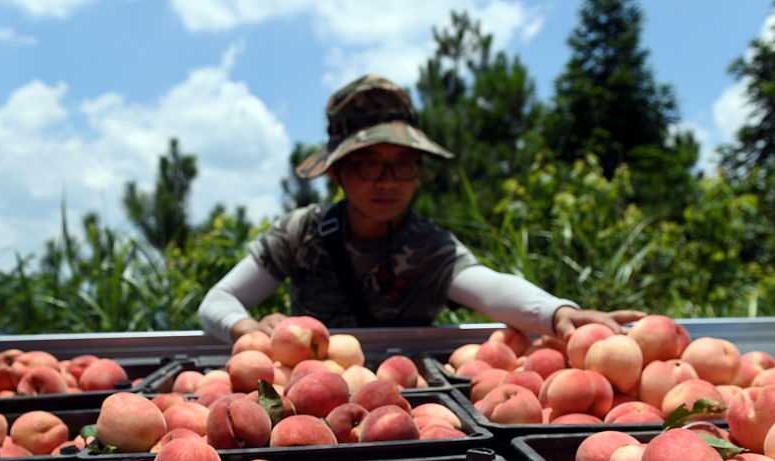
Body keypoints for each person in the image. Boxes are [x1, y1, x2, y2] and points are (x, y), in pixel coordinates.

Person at [198, 74, 640, 343]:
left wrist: (557, 313)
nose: (387, 181)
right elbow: (218, 300)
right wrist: (246, 329)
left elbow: (488, 287)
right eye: (368, 164)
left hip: (410, 401)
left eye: (403, 164)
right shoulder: (301, 233)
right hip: (310, 400)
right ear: (337, 174)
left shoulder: (429, 246)